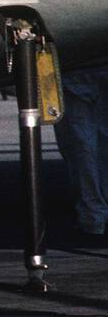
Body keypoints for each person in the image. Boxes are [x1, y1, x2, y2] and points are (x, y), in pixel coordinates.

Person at [53, 63, 108, 240]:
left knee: (80, 146)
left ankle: (93, 215)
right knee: (100, 141)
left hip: (73, 71)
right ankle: (96, 213)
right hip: (98, 69)